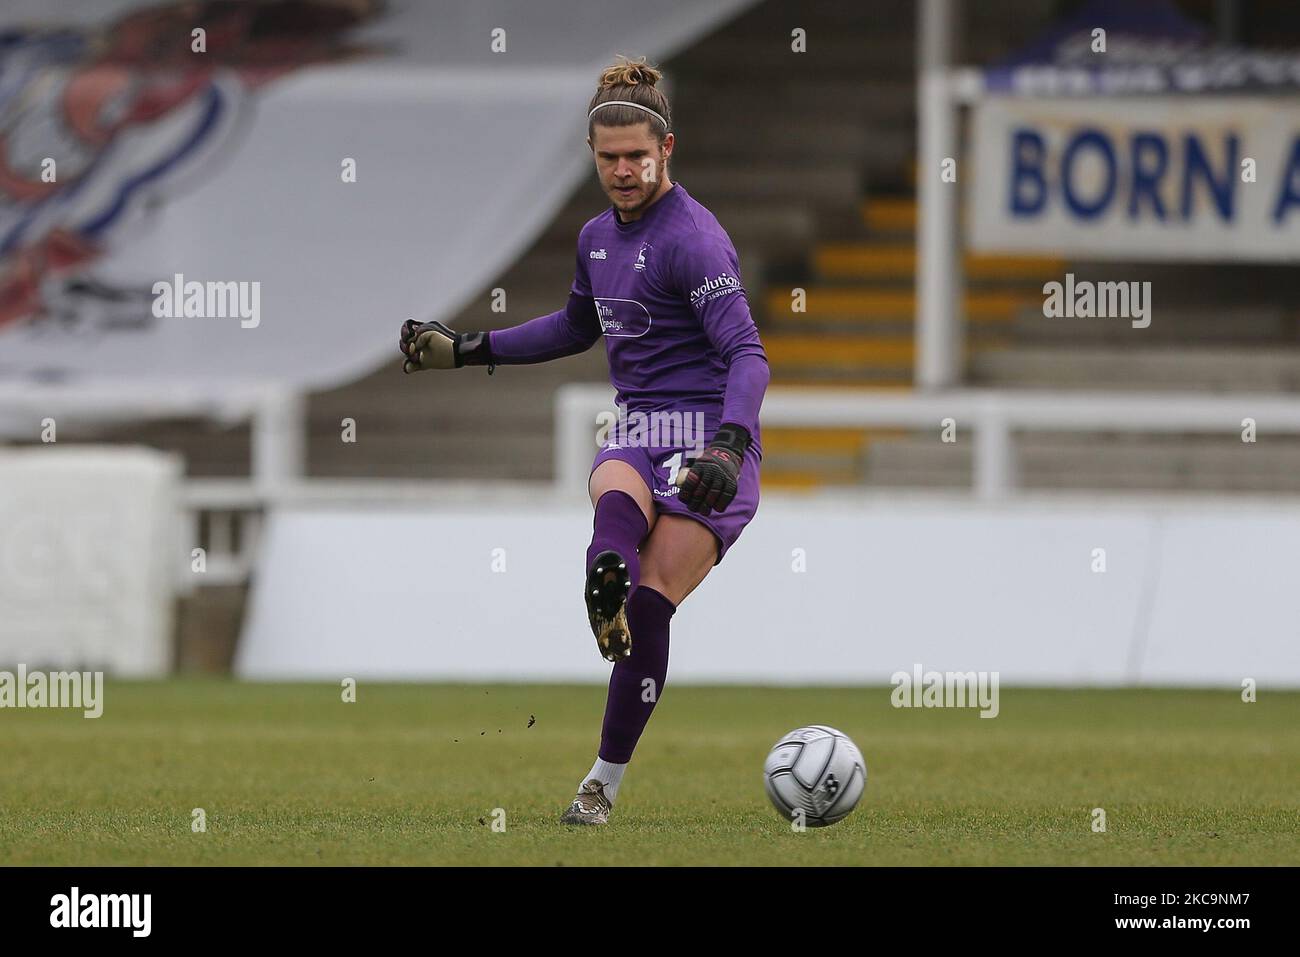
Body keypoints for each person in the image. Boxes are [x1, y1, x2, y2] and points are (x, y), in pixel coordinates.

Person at [400, 55, 769, 825]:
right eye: (609, 159)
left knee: (651, 606)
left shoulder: (695, 241)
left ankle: (601, 779)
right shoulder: (597, 236)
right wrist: (469, 347)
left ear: (668, 149)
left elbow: (747, 354)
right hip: (642, 425)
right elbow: (575, 326)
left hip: (705, 439)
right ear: (593, 156)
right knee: (614, 477)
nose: (624, 171)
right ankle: (607, 569)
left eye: (638, 156)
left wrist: (729, 448)